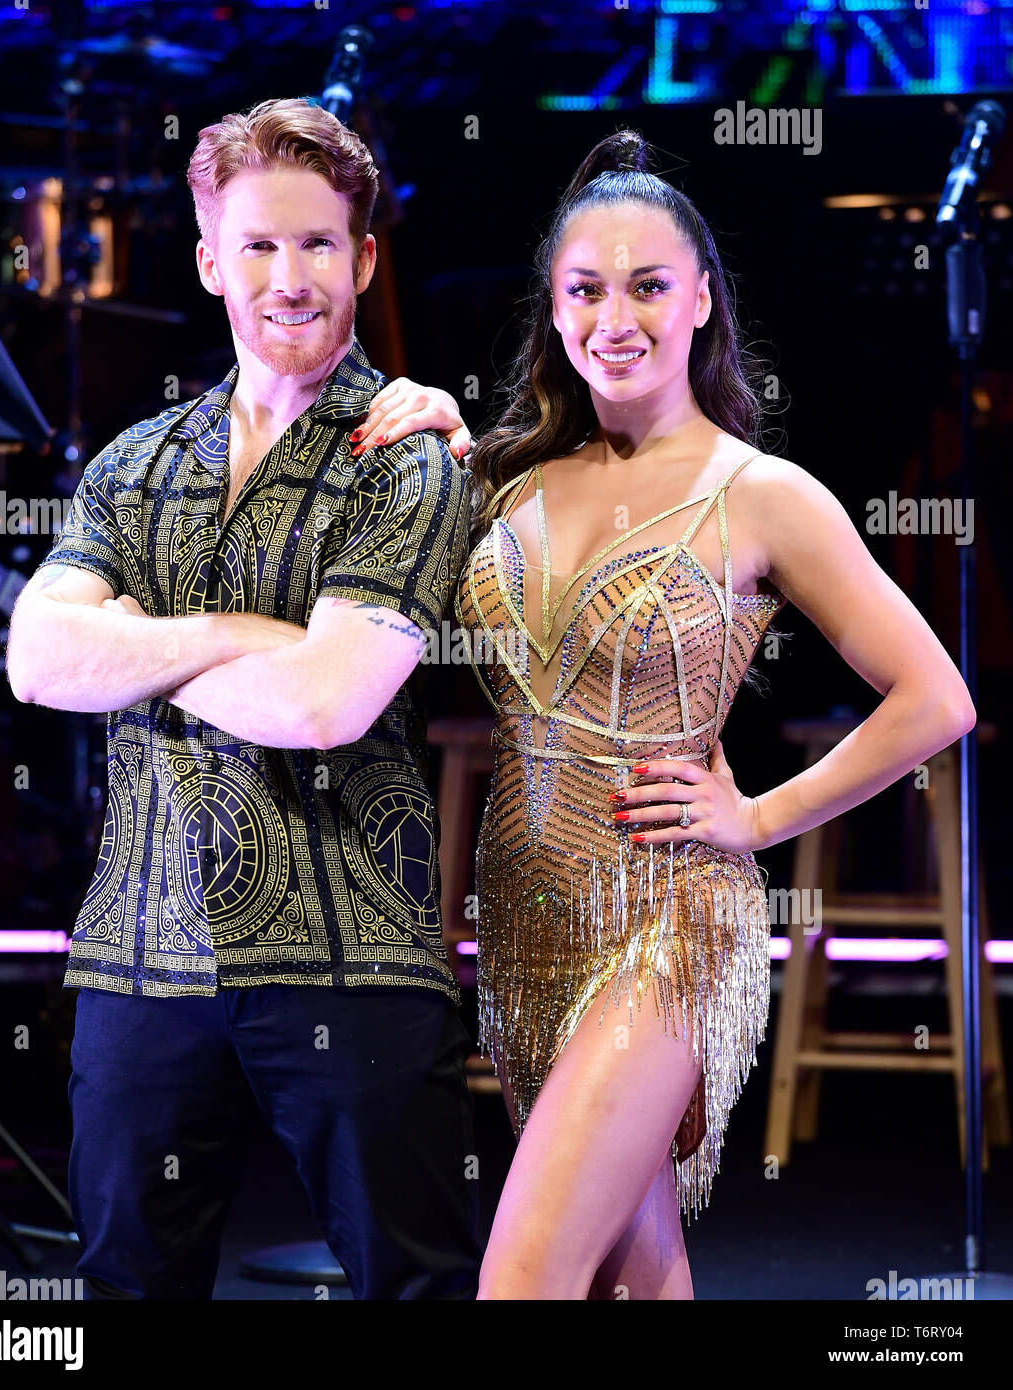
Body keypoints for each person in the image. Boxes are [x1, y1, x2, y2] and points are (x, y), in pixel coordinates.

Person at [353, 129, 976, 1300]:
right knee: (631, 1272)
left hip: (671, 917)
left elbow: (935, 696)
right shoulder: (510, 477)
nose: (614, 316)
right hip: (529, 918)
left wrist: (758, 816)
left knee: (522, 1278)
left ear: (699, 301)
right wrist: (434, 419)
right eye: (585, 289)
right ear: (552, 304)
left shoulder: (763, 493)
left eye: (647, 286)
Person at [5, 97, 482, 1300]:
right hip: (138, 957)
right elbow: (38, 662)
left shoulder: (409, 453)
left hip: (351, 949)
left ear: (363, 259)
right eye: (259, 245)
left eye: (319, 244)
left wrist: (138, 642)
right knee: (124, 1288)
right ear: (213, 259)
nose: (289, 276)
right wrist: (231, 634)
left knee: (411, 1285)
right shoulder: (136, 460)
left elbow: (325, 701)